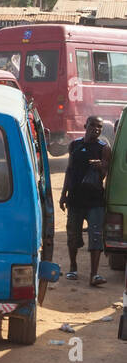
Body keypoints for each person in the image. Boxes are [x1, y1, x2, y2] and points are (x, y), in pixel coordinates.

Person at [61, 115, 113, 286]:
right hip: (75, 198)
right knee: (73, 236)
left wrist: (100, 167)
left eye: (99, 127)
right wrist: (63, 194)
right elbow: (69, 170)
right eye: (93, 126)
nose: (96, 130)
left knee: (96, 236)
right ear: (85, 125)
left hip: (95, 200)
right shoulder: (75, 145)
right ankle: (73, 268)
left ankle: (94, 274)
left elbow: (106, 173)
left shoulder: (104, 148)